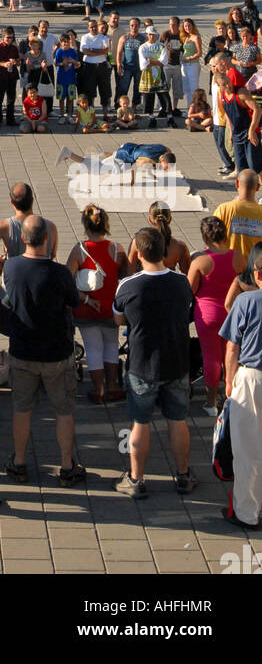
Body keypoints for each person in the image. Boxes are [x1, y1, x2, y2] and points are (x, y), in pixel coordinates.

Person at [0, 214, 87, 485]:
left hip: (23, 351)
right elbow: (74, 301)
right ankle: (66, 465)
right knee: (63, 410)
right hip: (57, 354)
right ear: (47, 239)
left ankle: (19, 462)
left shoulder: (11, 269)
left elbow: (5, 303)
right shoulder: (60, 273)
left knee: (21, 409)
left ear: (23, 239)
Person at [112, 226, 197, 498]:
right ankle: (183, 475)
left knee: (140, 422)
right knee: (178, 420)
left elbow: (118, 319)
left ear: (137, 253)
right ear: (164, 250)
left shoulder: (128, 286)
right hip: (176, 362)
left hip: (142, 364)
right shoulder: (181, 282)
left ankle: (136, 480)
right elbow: (189, 312)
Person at [65, 204, 128, 404]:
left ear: (85, 225)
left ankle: (98, 389)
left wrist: (85, 299)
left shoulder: (79, 250)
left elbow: (66, 281)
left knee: (93, 349)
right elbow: (125, 278)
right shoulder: (117, 248)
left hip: (86, 309)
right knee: (111, 345)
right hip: (110, 308)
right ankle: (112, 387)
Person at [220, 248, 262, 527]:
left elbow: (232, 347)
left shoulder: (247, 301)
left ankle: (247, 513)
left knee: (247, 450)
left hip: (251, 379)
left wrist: (229, 380)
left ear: (257, 274)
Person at [188, 216, 243, 416]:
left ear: (204, 235)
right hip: (232, 313)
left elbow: (190, 289)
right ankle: (231, 398)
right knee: (231, 355)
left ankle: (210, 403)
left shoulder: (201, 260)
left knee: (211, 357)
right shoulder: (238, 257)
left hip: (207, 315)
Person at [0, 182, 58, 266]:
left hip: (14, 275)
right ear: (32, 200)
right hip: (43, 275)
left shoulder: (5, 226)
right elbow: (53, 254)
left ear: (11, 202)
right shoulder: (50, 226)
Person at [214, 169, 262, 263]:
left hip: (228, 266)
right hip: (254, 269)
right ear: (257, 187)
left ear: (237, 183)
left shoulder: (223, 209)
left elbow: (212, 239)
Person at [0, 26, 21, 129]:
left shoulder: (14, 48)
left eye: (11, 38)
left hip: (12, 76)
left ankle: (10, 119)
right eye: (8, 37)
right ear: (3, 37)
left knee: (11, 99)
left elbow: (19, 61)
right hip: (1, 76)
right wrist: (3, 64)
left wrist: (15, 62)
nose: (9, 40)